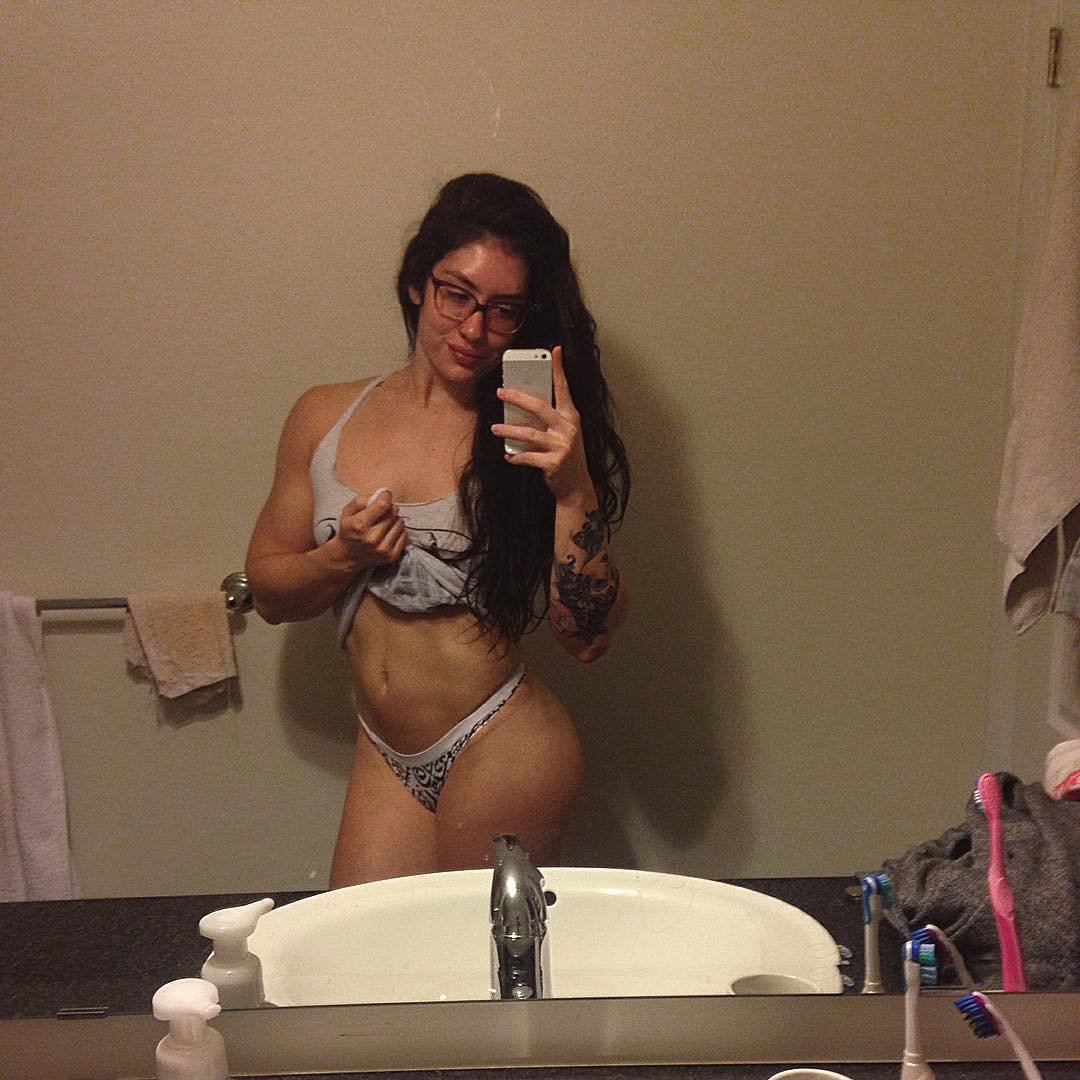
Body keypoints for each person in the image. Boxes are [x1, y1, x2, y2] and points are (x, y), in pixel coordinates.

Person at [245, 173, 630, 887]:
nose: (474, 330)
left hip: (502, 743)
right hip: (384, 749)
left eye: (503, 311)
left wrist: (574, 488)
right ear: (418, 283)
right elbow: (268, 592)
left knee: (479, 954)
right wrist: (342, 557)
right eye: (457, 295)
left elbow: (588, 638)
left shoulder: (528, 433)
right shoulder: (323, 415)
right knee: (360, 951)